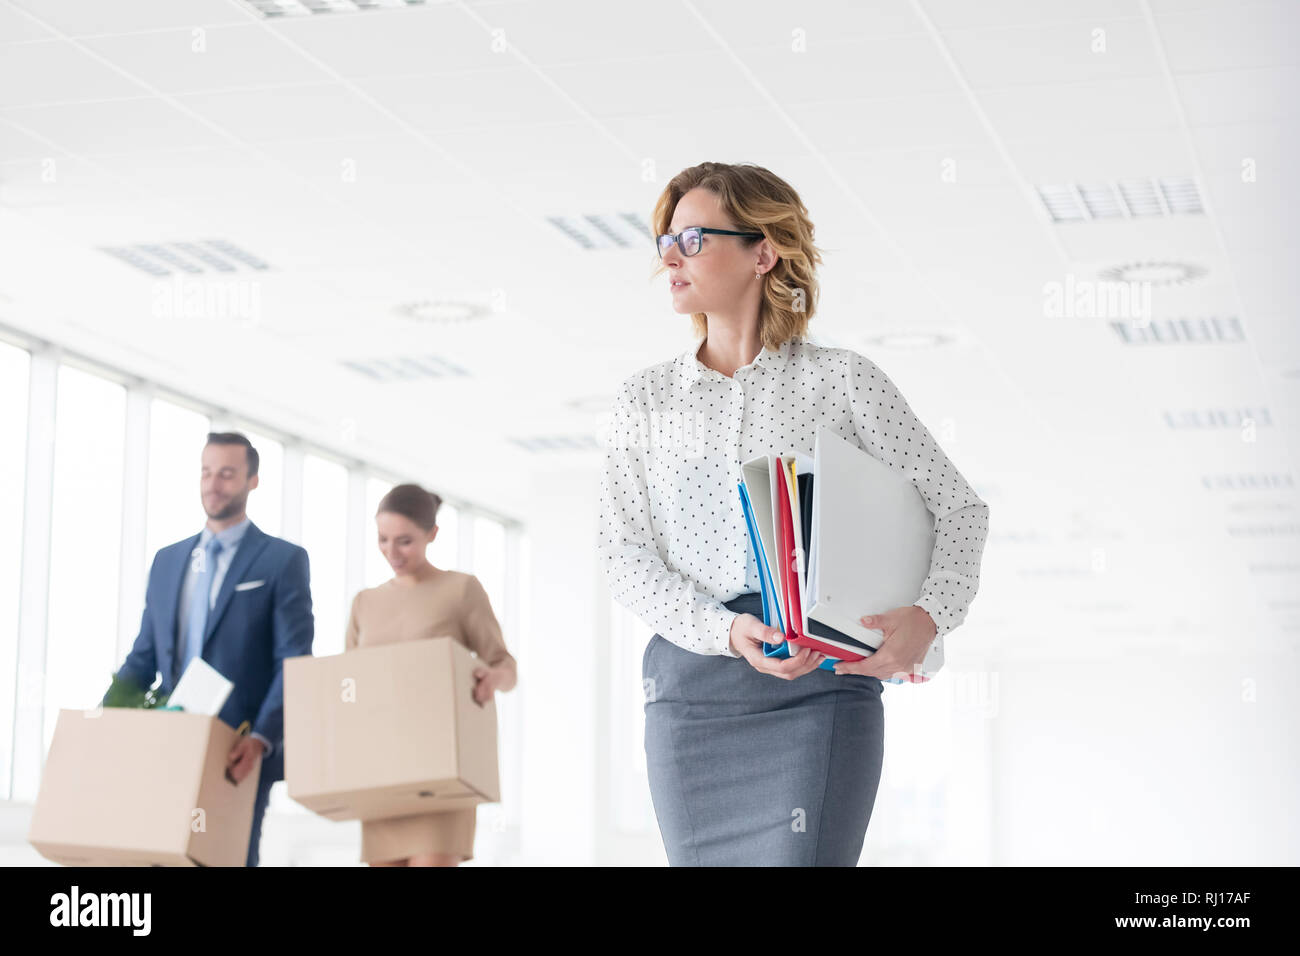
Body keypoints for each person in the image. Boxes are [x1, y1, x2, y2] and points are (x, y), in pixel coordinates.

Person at [597, 162, 990, 866]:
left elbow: (959, 510)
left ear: (763, 251)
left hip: (819, 692)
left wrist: (930, 614)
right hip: (691, 697)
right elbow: (621, 556)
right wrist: (723, 629)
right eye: (664, 240)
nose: (669, 257)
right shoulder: (643, 402)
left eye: (691, 237)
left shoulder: (842, 381)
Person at [106, 431, 315, 867]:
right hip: (169, 738)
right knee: (160, 857)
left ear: (252, 480)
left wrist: (261, 738)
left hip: (236, 747)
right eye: (206, 472)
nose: (213, 484)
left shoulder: (281, 561)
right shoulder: (168, 561)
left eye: (226, 474)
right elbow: (144, 655)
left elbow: (294, 662)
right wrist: (104, 723)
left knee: (224, 858)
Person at [345, 483, 517, 867]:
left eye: (404, 541)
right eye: (383, 540)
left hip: (443, 769)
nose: (392, 552)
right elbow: (347, 684)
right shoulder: (365, 603)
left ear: (432, 534)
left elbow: (506, 666)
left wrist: (491, 679)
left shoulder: (461, 590)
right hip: (383, 768)